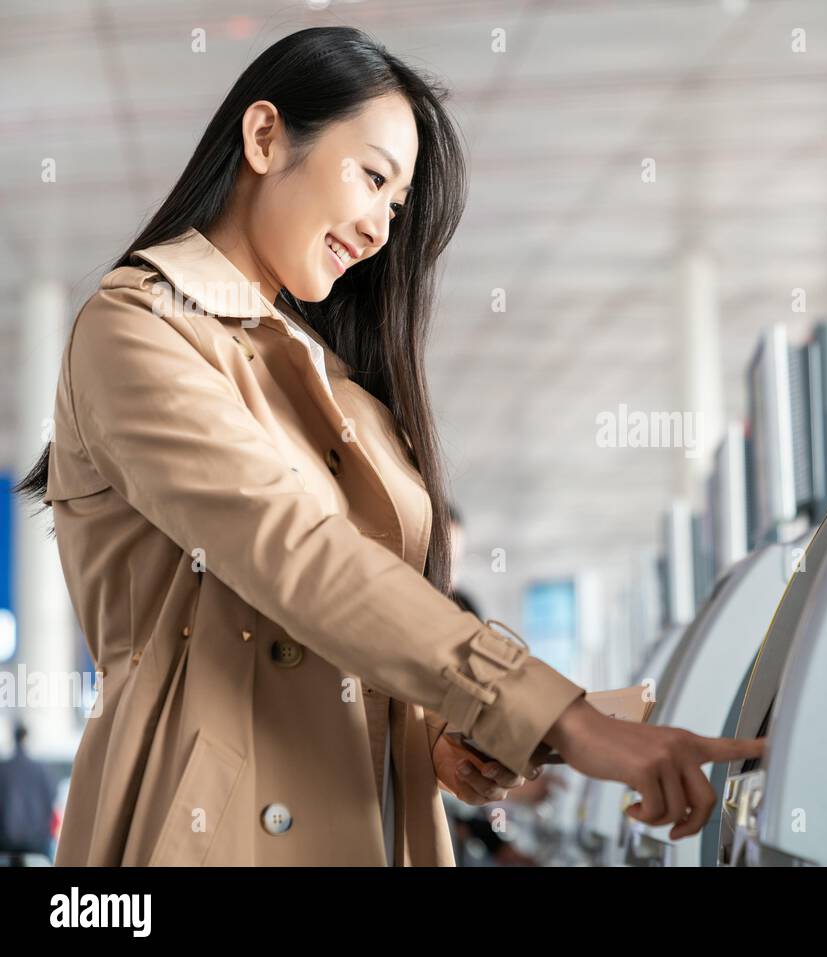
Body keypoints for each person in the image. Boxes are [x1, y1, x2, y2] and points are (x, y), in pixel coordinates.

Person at [13, 26, 762, 867]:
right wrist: (561, 717)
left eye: (397, 207)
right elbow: (296, 556)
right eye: (372, 177)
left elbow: (346, 634)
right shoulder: (136, 329)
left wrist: (439, 733)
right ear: (265, 138)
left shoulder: (337, 388)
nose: (379, 228)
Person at [0, 723, 56, 865]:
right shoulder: (40, 770)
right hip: (37, 840)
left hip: (6, 841)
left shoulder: (3, 769)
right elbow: (51, 799)